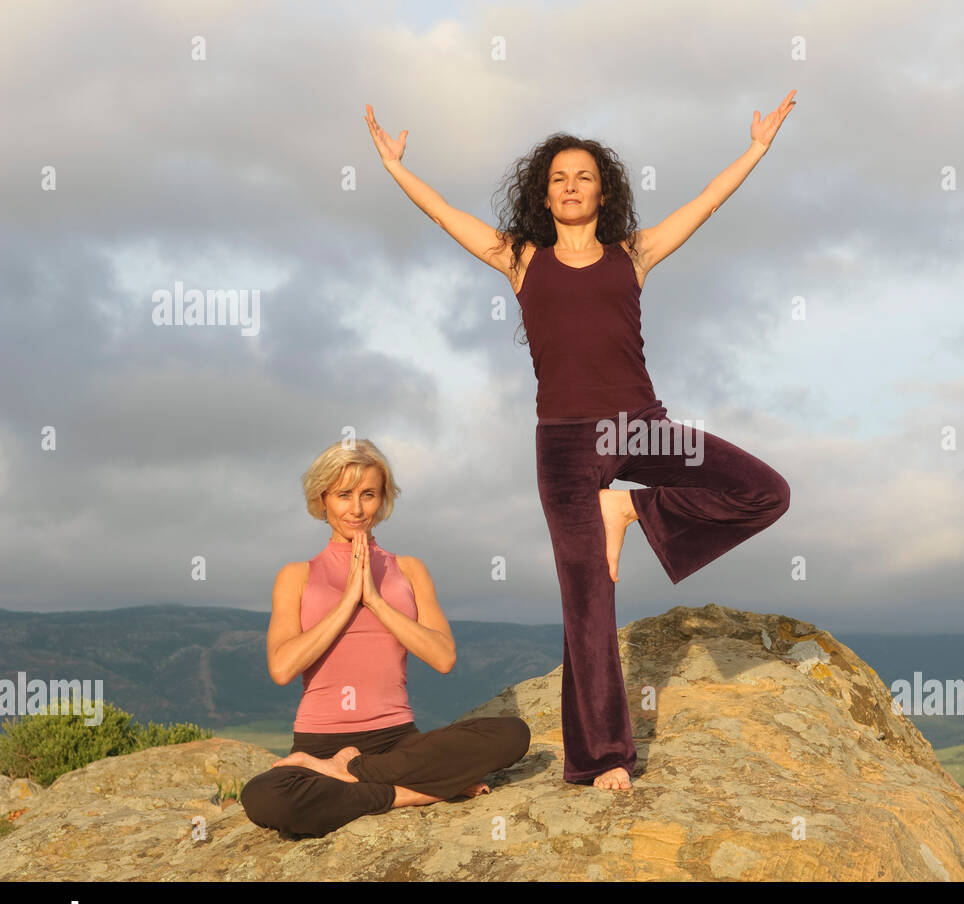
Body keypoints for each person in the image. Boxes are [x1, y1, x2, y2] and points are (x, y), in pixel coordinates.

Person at [364, 90, 795, 791]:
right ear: (545, 191)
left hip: (640, 425)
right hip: (564, 445)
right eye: (559, 177)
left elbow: (709, 201)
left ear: (604, 191)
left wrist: (755, 149)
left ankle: (630, 509)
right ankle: (602, 759)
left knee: (765, 490)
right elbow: (446, 217)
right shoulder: (520, 258)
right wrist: (394, 168)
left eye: (584, 176)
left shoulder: (634, 252)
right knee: (587, 601)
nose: (570, 185)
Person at [240, 439, 530, 839]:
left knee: (513, 733)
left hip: (397, 743)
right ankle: (417, 792)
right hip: (318, 746)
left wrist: (375, 600)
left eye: (368, 495)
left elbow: (443, 657)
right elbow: (282, 667)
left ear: (382, 500)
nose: (357, 509)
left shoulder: (408, 570)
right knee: (264, 797)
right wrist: (347, 602)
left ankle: (354, 775)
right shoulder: (297, 575)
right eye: (344, 495)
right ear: (322, 498)